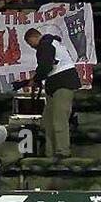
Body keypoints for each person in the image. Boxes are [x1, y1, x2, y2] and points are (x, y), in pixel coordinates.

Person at [24, 27, 81, 159]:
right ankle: (50, 152)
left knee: (59, 119)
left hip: (62, 84)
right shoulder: (52, 44)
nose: (31, 46)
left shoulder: (46, 45)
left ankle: (62, 151)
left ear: (33, 38)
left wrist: (35, 79)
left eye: (29, 43)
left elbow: (45, 66)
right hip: (56, 84)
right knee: (48, 122)